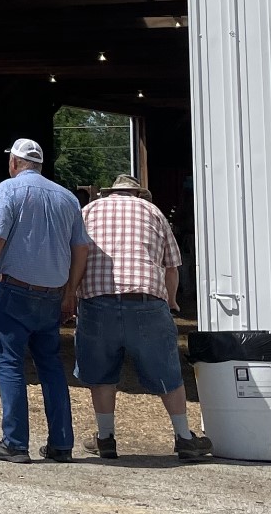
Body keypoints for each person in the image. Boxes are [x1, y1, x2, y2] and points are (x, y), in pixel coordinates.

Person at [0, 138, 93, 464]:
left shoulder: (8, 191)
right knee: (51, 366)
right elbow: (81, 249)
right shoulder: (67, 198)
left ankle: (15, 442)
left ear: (13, 163)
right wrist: (70, 292)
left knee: (9, 363)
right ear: (38, 164)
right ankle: (61, 443)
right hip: (52, 294)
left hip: (15, 290)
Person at [70, 173, 212, 460]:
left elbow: (76, 253)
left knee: (100, 373)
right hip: (145, 299)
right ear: (138, 194)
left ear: (111, 193)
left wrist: (71, 295)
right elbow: (171, 267)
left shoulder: (89, 210)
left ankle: (106, 439)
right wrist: (171, 301)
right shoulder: (153, 211)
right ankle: (184, 437)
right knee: (167, 372)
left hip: (98, 301)